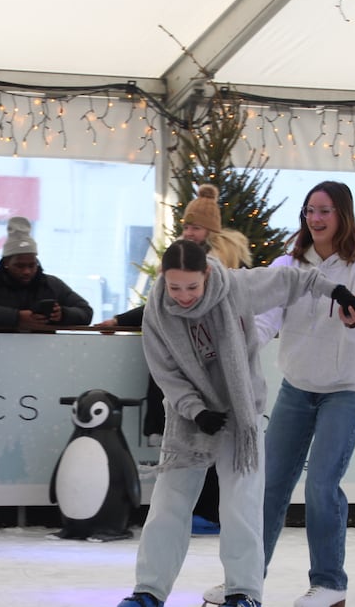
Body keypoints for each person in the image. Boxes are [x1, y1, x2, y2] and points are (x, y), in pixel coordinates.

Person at [116, 239, 355, 607]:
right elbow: (164, 370)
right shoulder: (158, 310)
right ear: (164, 278)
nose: (184, 296)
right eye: (175, 287)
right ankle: (148, 591)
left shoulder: (235, 287)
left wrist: (336, 291)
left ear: (207, 274)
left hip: (240, 415)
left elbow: (293, 280)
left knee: (241, 507)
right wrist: (196, 410)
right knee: (168, 504)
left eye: (192, 286)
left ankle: (244, 592)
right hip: (187, 420)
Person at [205, 181, 355, 607]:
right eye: (309, 211)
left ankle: (330, 583)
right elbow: (266, 320)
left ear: (342, 215)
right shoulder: (288, 265)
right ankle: (246, 579)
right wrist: (238, 349)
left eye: (324, 211)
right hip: (296, 389)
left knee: (321, 485)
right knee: (268, 486)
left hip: (344, 392)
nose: (315, 219)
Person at [96, 184, 252, 531]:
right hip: (189, 364)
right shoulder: (181, 265)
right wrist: (120, 320)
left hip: (214, 367)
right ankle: (199, 510)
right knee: (196, 437)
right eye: (186, 227)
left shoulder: (219, 268)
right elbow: (159, 306)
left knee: (215, 438)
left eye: (195, 227)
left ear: (210, 230)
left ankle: (212, 512)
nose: (188, 232)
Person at [0, 216, 93, 331]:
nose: (27, 271)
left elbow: (86, 312)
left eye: (32, 265)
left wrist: (63, 314)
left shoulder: (52, 284)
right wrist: (16, 317)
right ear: (6, 263)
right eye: (20, 266)